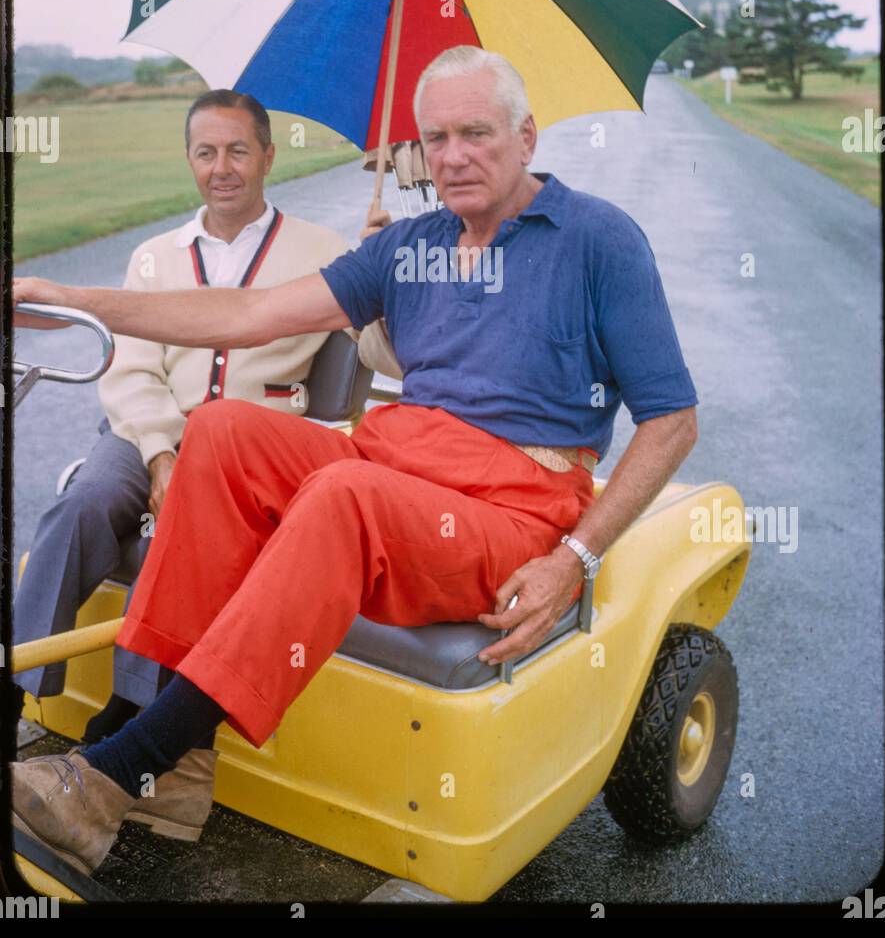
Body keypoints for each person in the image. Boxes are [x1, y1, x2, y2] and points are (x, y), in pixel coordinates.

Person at [10, 45, 699, 877]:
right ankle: (175, 772)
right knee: (224, 428)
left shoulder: (600, 239)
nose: (452, 156)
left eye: (475, 132)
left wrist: (573, 558)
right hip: (402, 460)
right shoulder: (408, 245)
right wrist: (75, 299)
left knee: (345, 490)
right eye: (434, 137)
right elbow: (247, 313)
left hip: (512, 505)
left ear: (526, 137)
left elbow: (672, 421)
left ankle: (115, 773)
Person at [11, 88, 400, 749]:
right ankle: (17, 682)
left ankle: (129, 718)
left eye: (238, 150)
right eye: (206, 152)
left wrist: (386, 276)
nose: (222, 167)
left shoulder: (327, 249)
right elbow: (129, 369)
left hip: (245, 455)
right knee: (85, 504)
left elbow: (383, 354)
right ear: (189, 160)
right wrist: (162, 453)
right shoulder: (153, 256)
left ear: (269, 156)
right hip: (144, 432)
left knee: (179, 531)